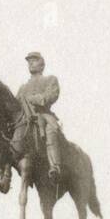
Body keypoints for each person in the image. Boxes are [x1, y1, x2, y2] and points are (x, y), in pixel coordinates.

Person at [16, 52, 63, 183]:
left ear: (42, 64)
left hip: (44, 116)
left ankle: (55, 167)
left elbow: (51, 95)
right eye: (29, 61)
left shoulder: (50, 80)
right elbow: (15, 105)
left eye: (34, 60)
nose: (30, 63)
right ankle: (5, 176)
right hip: (26, 120)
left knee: (51, 131)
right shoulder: (23, 88)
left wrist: (35, 99)